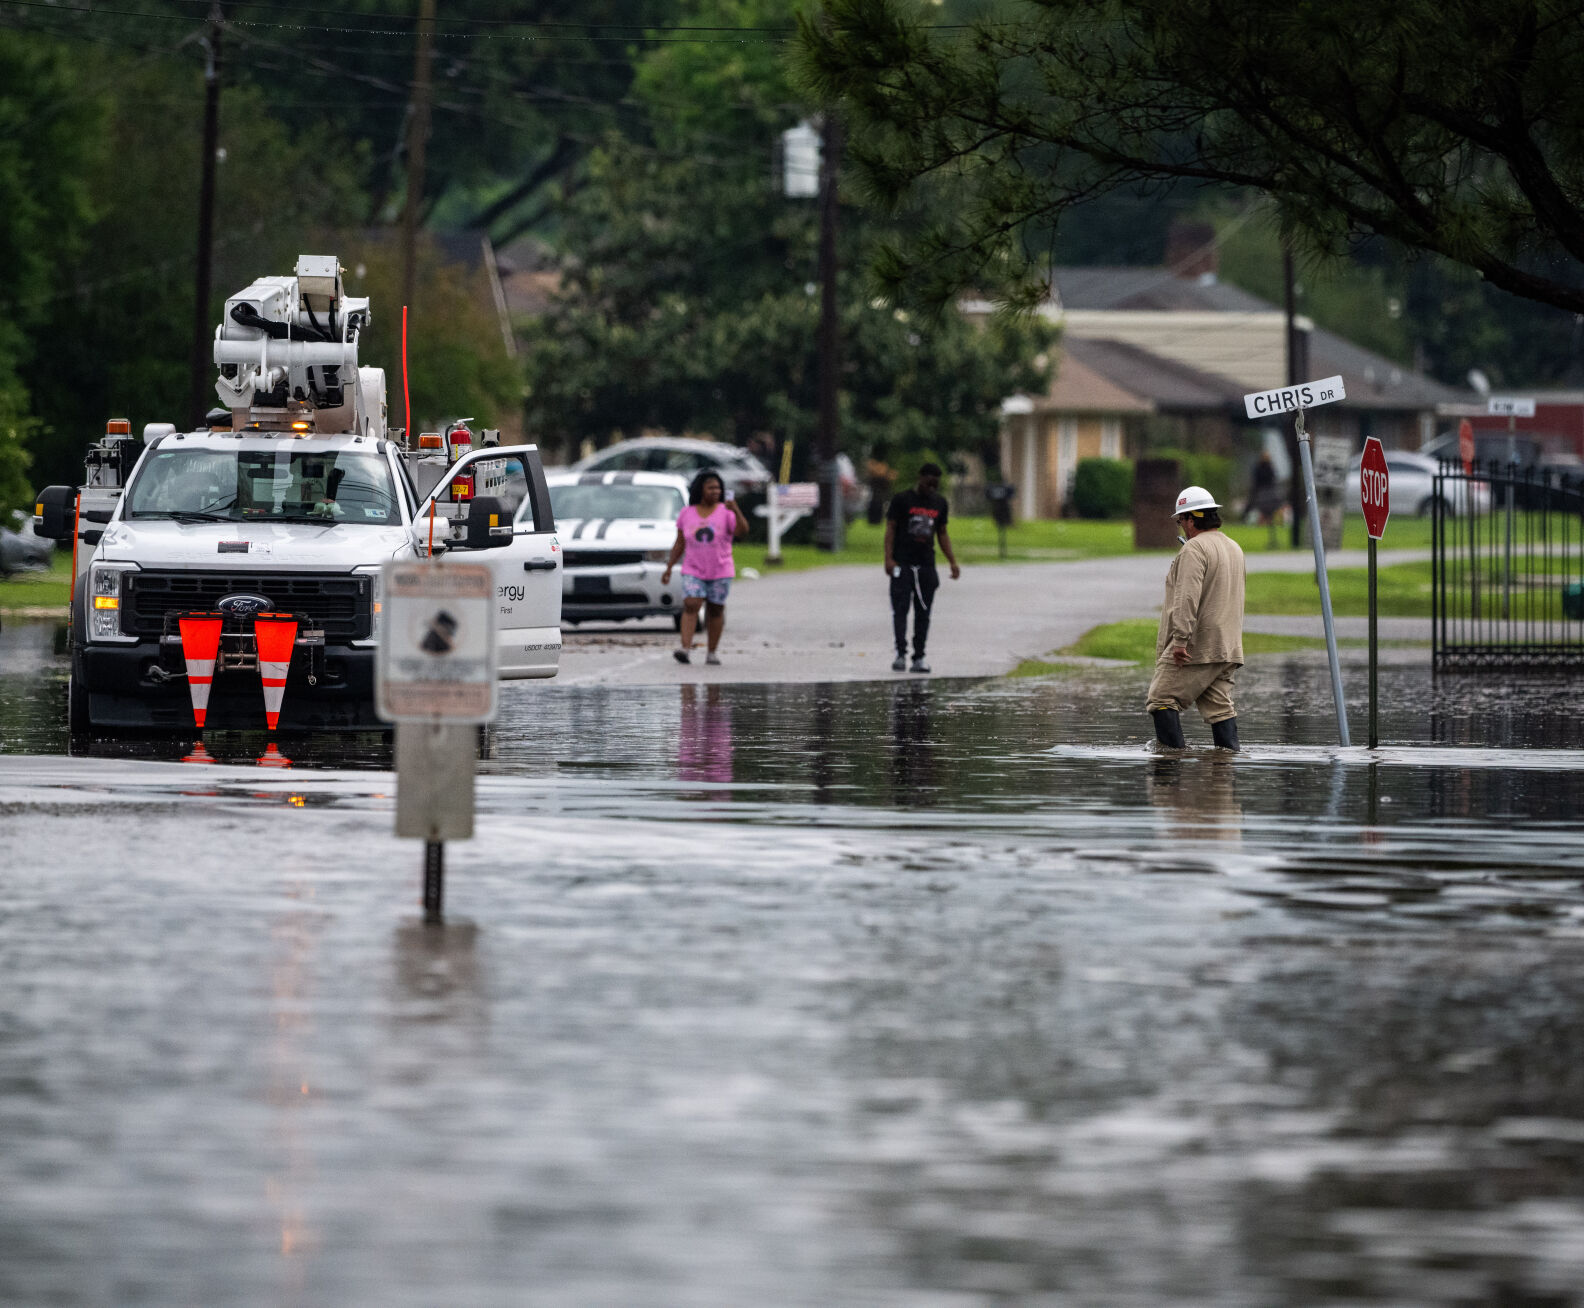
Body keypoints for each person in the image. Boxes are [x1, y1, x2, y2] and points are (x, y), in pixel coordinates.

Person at [1146, 485, 1246, 750]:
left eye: (1181, 521)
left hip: (1197, 645)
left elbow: (1186, 598)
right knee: (1219, 707)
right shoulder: (1233, 547)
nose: (1181, 527)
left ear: (1192, 518)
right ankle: (1225, 772)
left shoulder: (1194, 549)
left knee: (1161, 698)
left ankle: (1172, 767)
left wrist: (1180, 641)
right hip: (1228, 646)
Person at [662, 470, 749, 666]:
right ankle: (685, 649)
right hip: (693, 569)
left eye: (718, 488)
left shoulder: (726, 513)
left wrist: (735, 509)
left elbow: (742, 532)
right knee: (692, 603)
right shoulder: (687, 513)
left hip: (720, 569)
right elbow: (679, 543)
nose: (716, 491)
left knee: (716, 610)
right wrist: (669, 567)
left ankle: (712, 652)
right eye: (711, 487)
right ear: (700, 489)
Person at [883, 462, 960, 674]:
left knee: (923, 611)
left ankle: (919, 656)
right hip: (902, 563)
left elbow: (942, 533)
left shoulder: (939, 503)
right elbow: (890, 529)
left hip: (926, 564)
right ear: (920, 478)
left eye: (935, 485)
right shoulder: (902, 500)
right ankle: (900, 653)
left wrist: (952, 561)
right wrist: (888, 559)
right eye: (929, 483)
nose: (932, 488)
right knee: (900, 609)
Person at [1248, 451, 1282, 546]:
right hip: (1267, 494)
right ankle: (1272, 537)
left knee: (1269, 517)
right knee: (1270, 517)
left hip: (1265, 494)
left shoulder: (1262, 468)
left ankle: (1272, 537)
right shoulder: (1267, 468)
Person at [864, 444, 895, 526]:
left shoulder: (881, 464)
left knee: (879, 502)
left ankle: (876, 520)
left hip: (880, 486)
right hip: (876, 486)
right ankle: (873, 520)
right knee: (875, 502)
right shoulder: (873, 463)